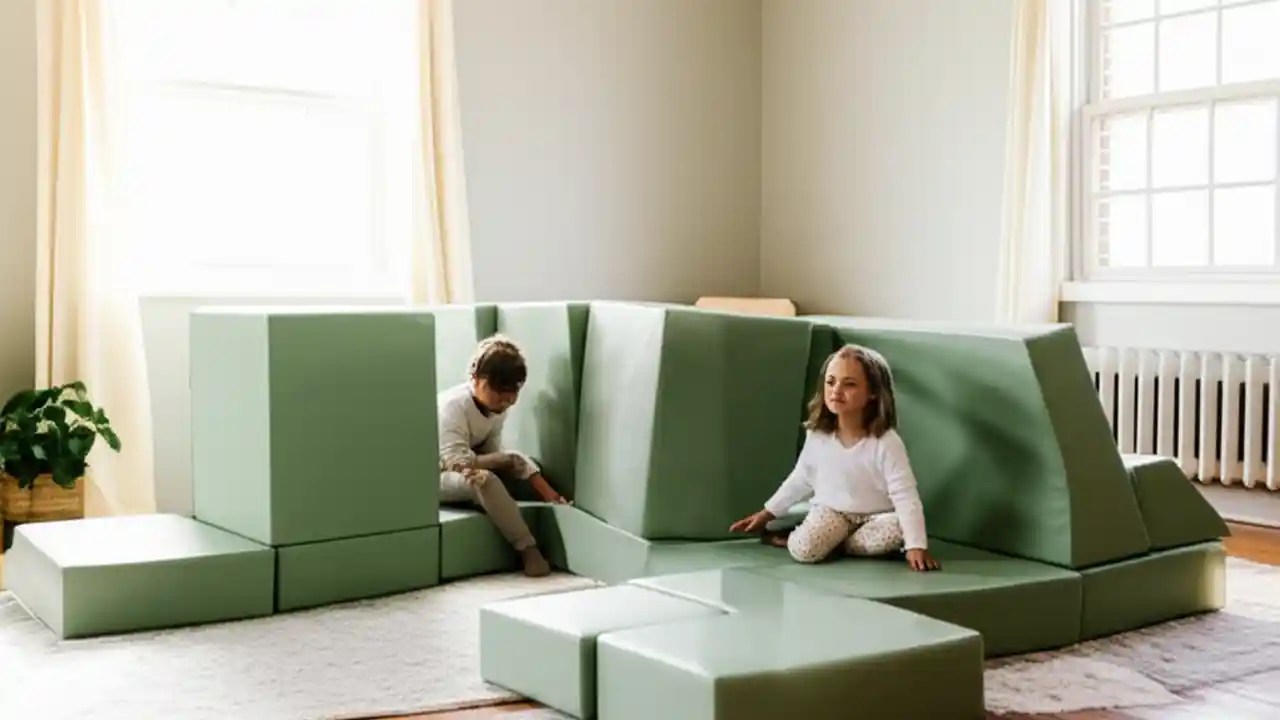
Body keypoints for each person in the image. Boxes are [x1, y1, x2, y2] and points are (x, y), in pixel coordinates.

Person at [730, 344, 942, 572]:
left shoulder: (886, 442)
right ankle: (813, 539)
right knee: (805, 550)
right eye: (831, 382)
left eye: (849, 384)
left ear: (873, 392)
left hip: (876, 518)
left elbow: (905, 494)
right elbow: (801, 478)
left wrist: (916, 546)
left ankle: (838, 545)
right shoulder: (819, 435)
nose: (836, 390)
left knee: (900, 528)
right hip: (832, 513)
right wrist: (767, 513)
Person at [437, 335, 568, 577]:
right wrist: (503, 460)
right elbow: (455, 461)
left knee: (522, 465)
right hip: (436, 474)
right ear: (476, 379)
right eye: (498, 390)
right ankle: (528, 549)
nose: (507, 399)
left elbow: (490, 453)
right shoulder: (453, 407)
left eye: (513, 391)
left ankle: (556, 501)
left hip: (464, 465)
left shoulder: (496, 408)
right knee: (486, 480)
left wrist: (510, 462)